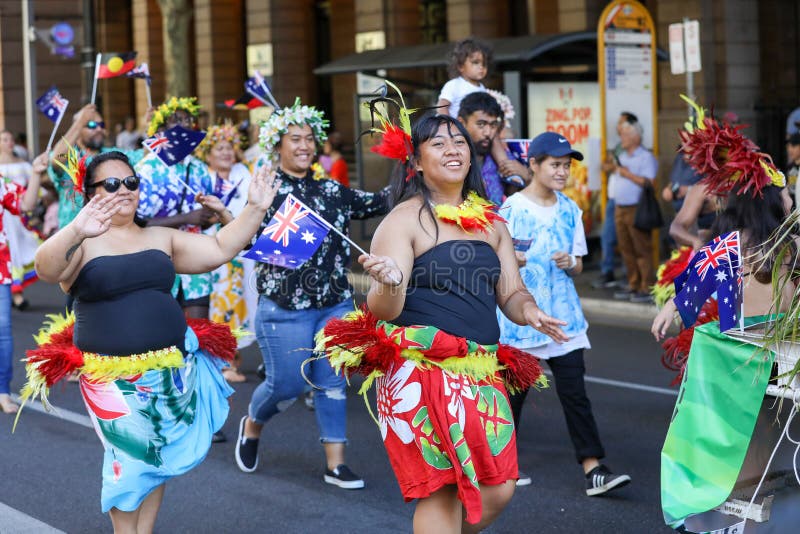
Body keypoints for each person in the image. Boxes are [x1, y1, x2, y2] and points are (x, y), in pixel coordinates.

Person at [318, 111, 566, 532]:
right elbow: (382, 310)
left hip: (482, 370)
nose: (453, 149)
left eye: (459, 142)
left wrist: (530, 311)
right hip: (419, 371)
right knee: (443, 491)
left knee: (499, 487)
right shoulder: (404, 220)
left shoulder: (492, 222)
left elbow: (510, 292)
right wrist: (391, 282)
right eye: (438, 143)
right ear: (415, 162)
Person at [26, 150, 279, 531]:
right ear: (91, 193)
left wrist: (255, 209)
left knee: (156, 458)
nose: (124, 190)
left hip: (167, 371)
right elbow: (46, 268)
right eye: (112, 184)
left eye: (131, 183)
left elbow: (219, 249)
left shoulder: (159, 237)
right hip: (111, 380)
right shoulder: (81, 243)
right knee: (129, 461)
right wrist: (78, 228)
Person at [234, 99, 390, 489]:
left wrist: (413, 167)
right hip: (284, 308)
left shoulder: (332, 190)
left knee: (332, 384)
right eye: (294, 138)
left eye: (309, 138)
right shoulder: (265, 191)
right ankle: (252, 425)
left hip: (334, 304)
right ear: (278, 145)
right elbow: (244, 237)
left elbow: (379, 202)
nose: (304, 145)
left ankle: (335, 464)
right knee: (286, 386)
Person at [496, 131, 631, 495]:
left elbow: (578, 265)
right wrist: (511, 258)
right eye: (555, 165)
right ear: (534, 165)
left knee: (575, 394)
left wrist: (572, 262)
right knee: (511, 397)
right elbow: (492, 262)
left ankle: (594, 468)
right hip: (520, 322)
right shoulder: (510, 210)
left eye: (566, 166)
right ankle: (501, 466)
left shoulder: (571, 209)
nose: (562, 172)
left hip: (564, 319)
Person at [135, 96, 217, 320]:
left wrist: (211, 216)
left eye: (188, 120)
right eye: (175, 120)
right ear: (162, 129)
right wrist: (187, 217)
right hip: (158, 264)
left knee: (201, 335)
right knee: (164, 335)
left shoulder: (200, 169)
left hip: (196, 262)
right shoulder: (146, 170)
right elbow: (137, 223)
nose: (183, 124)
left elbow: (208, 217)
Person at [194, 122, 255, 383]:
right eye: (219, 148)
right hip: (212, 247)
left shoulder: (245, 172)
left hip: (243, 249)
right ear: (208, 153)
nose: (226, 153)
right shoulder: (202, 176)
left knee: (244, 300)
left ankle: (233, 356)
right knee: (220, 301)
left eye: (230, 148)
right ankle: (223, 359)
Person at [0, 151, 46, 413]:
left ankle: (3, 391)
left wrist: (36, 174)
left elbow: (26, 204)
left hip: (0, 269)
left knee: (3, 334)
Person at [436, 38, 516, 186]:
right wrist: (448, 128)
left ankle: (506, 168)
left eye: (484, 64)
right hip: (458, 129)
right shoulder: (454, 85)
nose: (481, 67)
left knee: (494, 138)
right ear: (460, 66)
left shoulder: (481, 89)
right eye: (475, 63)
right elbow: (442, 105)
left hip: (477, 130)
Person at [607, 120, 658, 303]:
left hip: (636, 208)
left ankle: (647, 286)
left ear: (635, 137)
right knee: (625, 248)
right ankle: (633, 283)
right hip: (620, 208)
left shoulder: (645, 157)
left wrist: (627, 174)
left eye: (625, 135)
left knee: (641, 248)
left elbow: (650, 183)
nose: (622, 139)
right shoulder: (624, 156)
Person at [457, 92, 529, 205]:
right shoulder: (452, 161)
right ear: (462, 123)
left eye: (493, 125)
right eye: (481, 124)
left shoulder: (502, 159)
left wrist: (526, 175)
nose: (488, 132)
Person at [593, 111, 638, 289]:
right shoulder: (620, 146)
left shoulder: (633, 148)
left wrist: (613, 166)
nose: (618, 127)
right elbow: (610, 165)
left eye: (622, 124)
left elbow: (623, 168)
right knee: (608, 237)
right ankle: (608, 272)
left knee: (628, 240)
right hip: (614, 199)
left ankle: (630, 276)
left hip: (627, 201)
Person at [0, 130, 39, 310]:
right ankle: (13, 295)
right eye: (4, 139)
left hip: (17, 215)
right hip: (4, 217)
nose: (9, 142)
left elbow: (34, 188)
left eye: (11, 139)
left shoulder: (24, 165)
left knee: (17, 250)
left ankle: (16, 292)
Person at [785, 132, 800, 209]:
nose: (790, 149)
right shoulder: (790, 167)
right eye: (788, 146)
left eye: (793, 146)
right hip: (793, 211)